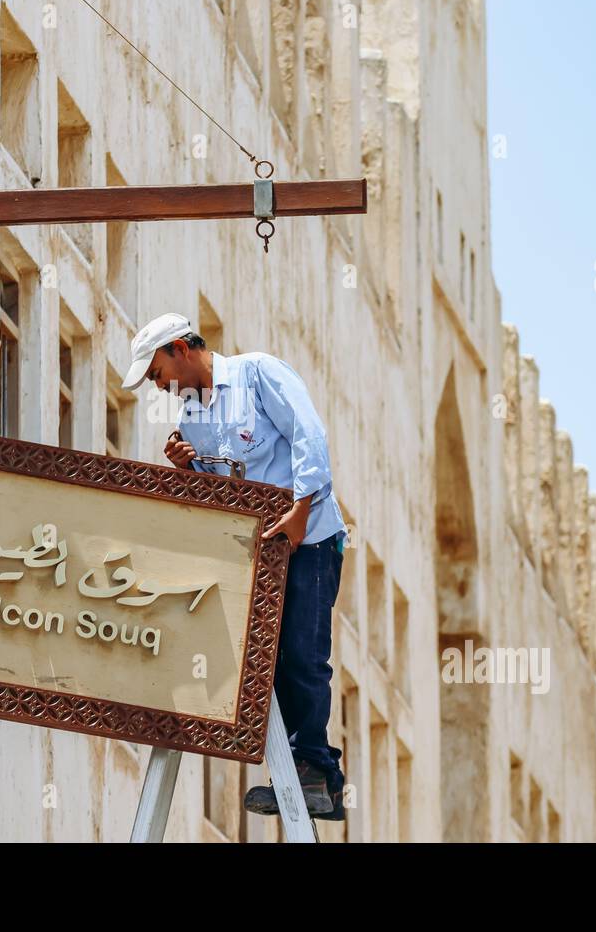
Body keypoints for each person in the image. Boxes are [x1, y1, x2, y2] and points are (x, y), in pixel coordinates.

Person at [121, 312, 347, 820]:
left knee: (302, 656)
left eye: (157, 374)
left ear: (180, 349)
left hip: (310, 542)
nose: (159, 387)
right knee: (263, 663)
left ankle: (314, 772)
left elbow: (310, 435)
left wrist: (301, 513)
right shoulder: (191, 419)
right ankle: (312, 778)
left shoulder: (258, 373)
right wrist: (189, 468)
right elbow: (223, 492)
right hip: (257, 555)